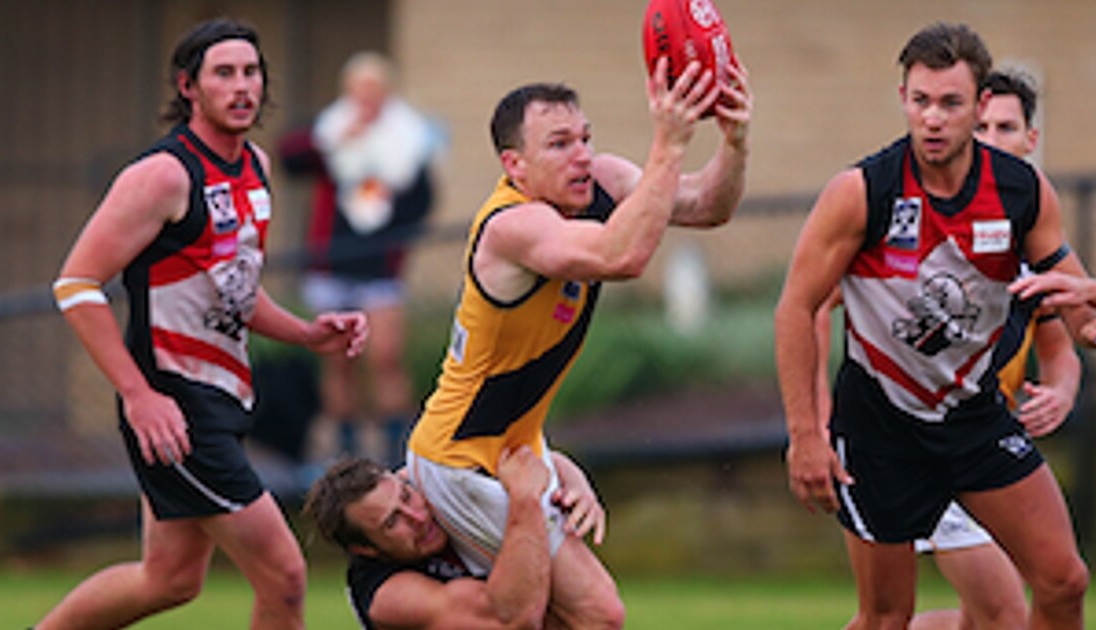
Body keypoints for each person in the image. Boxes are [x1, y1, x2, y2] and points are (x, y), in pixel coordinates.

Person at [40, 18, 368, 630]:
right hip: (176, 407)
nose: (242, 86)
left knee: (169, 580)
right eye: (224, 73)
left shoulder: (256, 168)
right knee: (285, 574)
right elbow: (75, 284)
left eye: (251, 72)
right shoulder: (162, 176)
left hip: (223, 395)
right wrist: (139, 396)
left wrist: (304, 332)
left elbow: (233, 289)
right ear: (188, 87)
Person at [406, 53, 752, 628]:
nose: (583, 155)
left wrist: (735, 141)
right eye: (560, 143)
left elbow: (708, 207)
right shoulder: (512, 226)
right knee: (595, 611)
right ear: (514, 164)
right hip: (460, 457)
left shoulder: (605, 183)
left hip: (515, 452)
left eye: (585, 137)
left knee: (553, 615)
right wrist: (667, 144)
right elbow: (622, 256)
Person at [775, 22, 1090, 629]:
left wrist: (1089, 323)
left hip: (974, 419)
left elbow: (1070, 296)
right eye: (921, 102)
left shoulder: (1021, 192)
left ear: (978, 106)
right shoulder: (863, 192)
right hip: (880, 430)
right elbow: (796, 307)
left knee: (1064, 581)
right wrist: (806, 434)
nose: (934, 119)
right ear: (903, 101)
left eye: (950, 103)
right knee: (888, 616)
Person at [279, 51, 438, 472]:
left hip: (380, 265)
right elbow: (290, 157)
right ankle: (346, 454)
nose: (367, 101)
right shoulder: (332, 130)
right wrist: (333, 141)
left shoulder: (406, 139)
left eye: (375, 91)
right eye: (359, 92)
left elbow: (422, 202)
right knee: (338, 360)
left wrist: (387, 207)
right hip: (332, 261)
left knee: (386, 355)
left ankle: (397, 449)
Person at [304, 446, 605, 629]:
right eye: (393, 522)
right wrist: (524, 502)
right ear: (366, 549)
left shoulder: (421, 480)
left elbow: (533, 462)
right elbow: (510, 620)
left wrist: (580, 489)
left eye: (406, 497)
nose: (418, 518)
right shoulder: (389, 598)